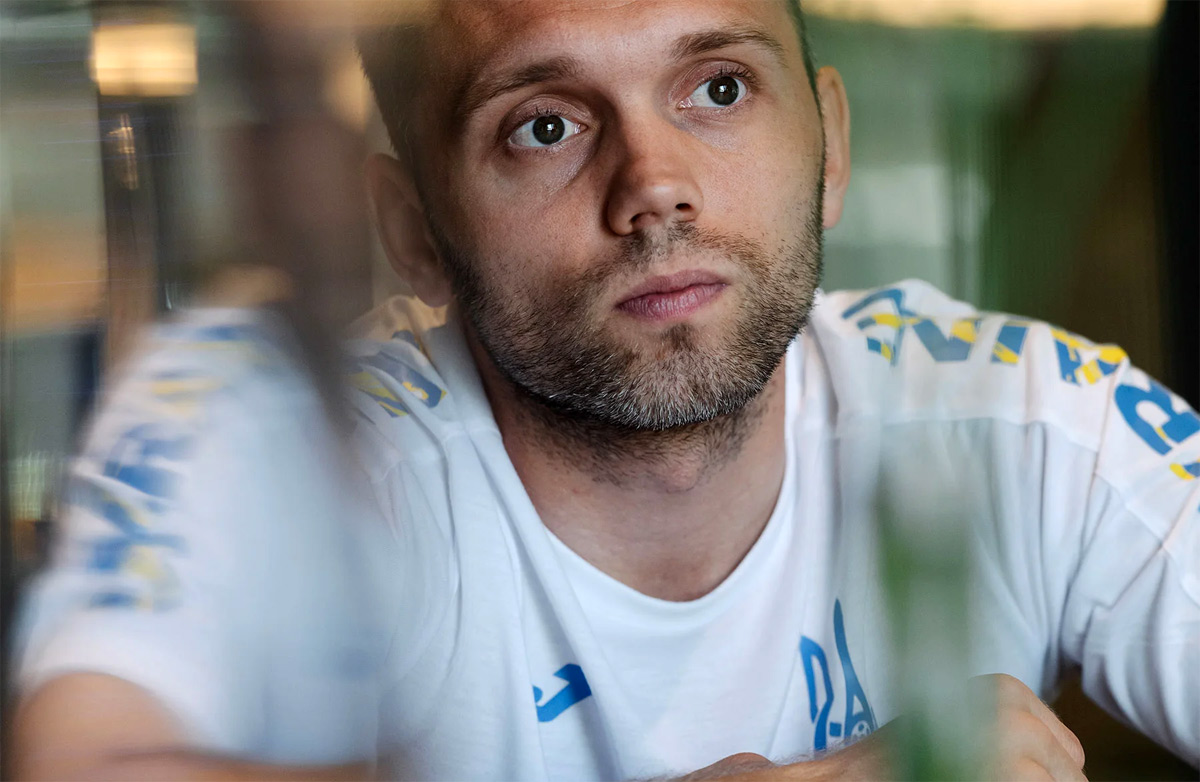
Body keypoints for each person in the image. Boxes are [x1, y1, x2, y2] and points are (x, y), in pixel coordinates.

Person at [12, 1, 1199, 780]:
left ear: (830, 147)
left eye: (719, 88)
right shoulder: (281, 429)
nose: (654, 186)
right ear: (413, 230)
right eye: (544, 125)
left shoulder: (1027, 413)